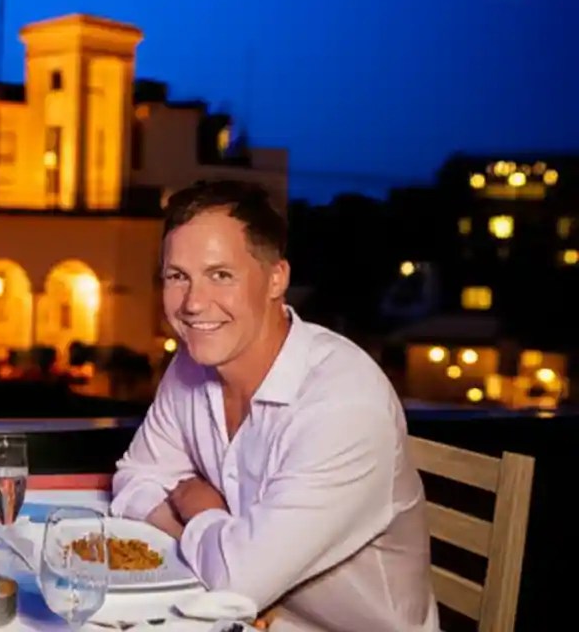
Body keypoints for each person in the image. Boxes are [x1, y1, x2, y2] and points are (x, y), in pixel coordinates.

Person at [110, 180, 437, 631]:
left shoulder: (343, 404)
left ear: (276, 279)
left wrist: (202, 510)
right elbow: (133, 479)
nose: (193, 303)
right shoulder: (192, 362)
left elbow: (236, 584)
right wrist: (212, 535)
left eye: (220, 275)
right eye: (177, 276)